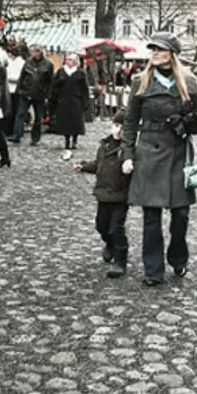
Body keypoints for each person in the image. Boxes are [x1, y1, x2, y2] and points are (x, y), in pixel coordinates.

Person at [121, 33, 197, 286]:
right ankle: (153, 269)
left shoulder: (189, 83)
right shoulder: (140, 82)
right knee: (151, 217)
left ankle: (178, 258)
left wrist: (189, 122)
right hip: (149, 151)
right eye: (153, 49)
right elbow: (130, 121)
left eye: (160, 49)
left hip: (178, 153)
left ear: (172, 54)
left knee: (181, 216)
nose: (155, 53)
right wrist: (127, 154)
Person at [75, 110, 132, 278]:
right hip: (103, 194)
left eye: (122, 127)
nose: (118, 130)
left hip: (120, 196)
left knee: (116, 228)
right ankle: (110, 244)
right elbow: (99, 164)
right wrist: (85, 166)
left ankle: (120, 260)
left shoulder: (129, 149)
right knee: (101, 225)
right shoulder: (104, 145)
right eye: (116, 125)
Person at [49, 53, 89, 156]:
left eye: (71, 60)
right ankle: (67, 140)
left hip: (77, 99)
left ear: (76, 61)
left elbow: (85, 88)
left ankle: (75, 140)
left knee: (76, 120)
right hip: (64, 99)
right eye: (68, 59)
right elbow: (54, 86)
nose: (69, 61)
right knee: (65, 121)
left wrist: (85, 101)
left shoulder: (80, 73)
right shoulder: (61, 71)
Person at [21, 46, 54, 146]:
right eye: (33, 51)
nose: (34, 53)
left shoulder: (48, 64)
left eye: (37, 51)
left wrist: (48, 95)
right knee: (21, 113)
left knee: (38, 117)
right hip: (27, 92)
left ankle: (35, 137)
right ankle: (17, 135)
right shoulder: (28, 62)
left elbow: (50, 81)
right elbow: (22, 76)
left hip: (40, 94)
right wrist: (21, 89)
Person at [5, 44, 26, 142]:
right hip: (11, 89)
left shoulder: (20, 63)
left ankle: (15, 132)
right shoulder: (12, 62)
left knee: (15, 111)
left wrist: (8, 78)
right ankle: (13, 131)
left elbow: (19, 78)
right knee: (13, 111)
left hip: (15, 89)